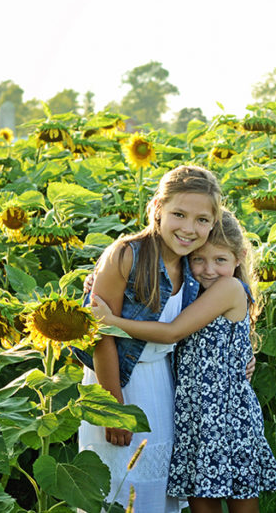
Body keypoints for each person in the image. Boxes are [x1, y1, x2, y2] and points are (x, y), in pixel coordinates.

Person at [91, 209, 276, 513]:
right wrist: (102, 279)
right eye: (198, 260)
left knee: (239, 496)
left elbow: (171, 333)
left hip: (226, 414)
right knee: (199, 498)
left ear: (239, 257)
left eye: (220, 260)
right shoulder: (194, 290)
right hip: (193, 413)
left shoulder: (229, 288)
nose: (207, 269)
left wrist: (110, 320)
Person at [75, 165, 223, 513]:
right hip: (118, 380)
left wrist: (244, 356)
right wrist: (113, 408)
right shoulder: (127, 254)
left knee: (155, 487)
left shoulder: (195, 265)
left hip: (164, 382)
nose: (189, 228)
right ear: (156, 208)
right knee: (116, 485)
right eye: (178, 214)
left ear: (213, 223)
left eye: (202, 220)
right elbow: (101, 333)